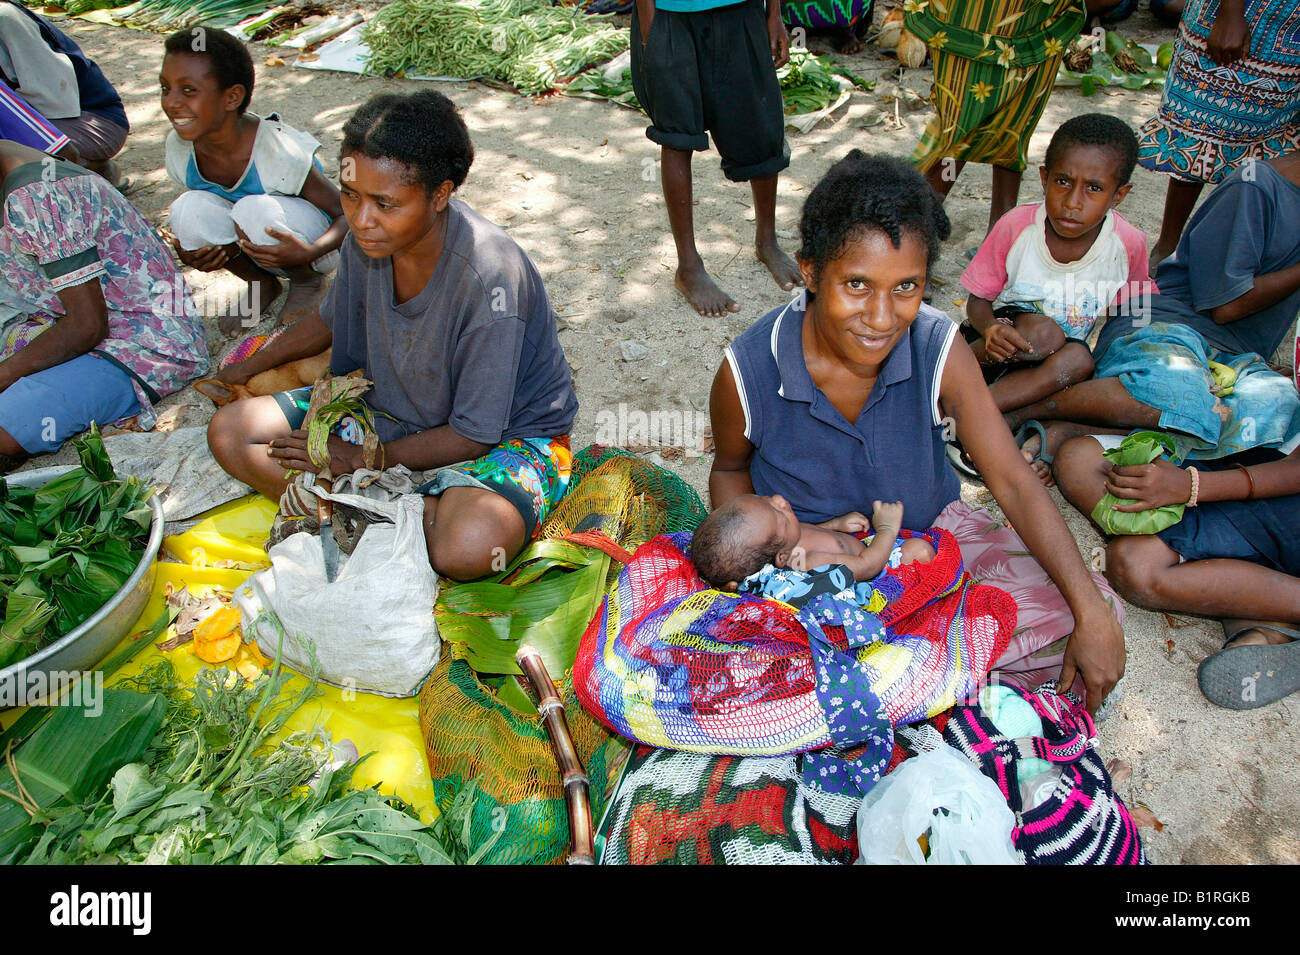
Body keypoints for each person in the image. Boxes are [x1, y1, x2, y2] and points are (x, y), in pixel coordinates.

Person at [708, 151, 1126, 712]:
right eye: (857, 284)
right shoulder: (749, 371)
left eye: (906, 287)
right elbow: (731, 469)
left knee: (1092, 611)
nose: (881, 317)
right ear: (809, 271)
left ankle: (911, 683)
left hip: (935, 549)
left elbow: (1013, 481)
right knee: (768, 661)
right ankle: (928, 683)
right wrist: (767, 572)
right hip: (819, 567)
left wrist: (1092, 614)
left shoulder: (937, 348)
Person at [207, 90, 578, 582]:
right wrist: (247, 367)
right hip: (387, 407)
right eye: (351, 195)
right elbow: (328, 320)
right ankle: (377, 516)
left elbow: (472, 434)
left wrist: (365, 459)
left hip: (505, 436)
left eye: (385, 203)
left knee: (469, 548)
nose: (361, 219)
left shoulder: (490, 279)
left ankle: (353, 512)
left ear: (440, 194)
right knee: (231, 432)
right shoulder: (369, 241)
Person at [1004, 153, 1300, 467]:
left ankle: (1079, 428)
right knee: (1179, 396)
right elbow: (1227, 306)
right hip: (1171, 324)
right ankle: (1028, 406)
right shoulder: (1256, 186)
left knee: (1283, 413)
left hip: (1234, 357)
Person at [1051, 432, 1300, 710]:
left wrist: (1192, 485)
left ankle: (1266, 614)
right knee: (1078, 457)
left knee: (1133, 565)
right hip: (1252, 460)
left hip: (1281, 494)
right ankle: (1263, 611)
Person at [0, 139, 208, 472]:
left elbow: (88, 327)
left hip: (142, 345)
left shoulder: (35, 196)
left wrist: (5, 374)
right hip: (56, 317)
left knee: (6, 426)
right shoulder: (9, 161)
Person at [961, 114, 1152, 425]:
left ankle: (978, 410)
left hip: (1048, 373)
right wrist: (990, 328)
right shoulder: (1017, 227)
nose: (1072, 202)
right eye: (1062, 181)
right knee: (1045, 333)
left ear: (1119, 195)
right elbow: (977, 300)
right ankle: (952, 388)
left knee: (1081, 359)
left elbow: (1134, 310)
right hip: (993, 347)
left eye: (1093, 188)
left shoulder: (1127, 244)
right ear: (1044, 178)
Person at [160, 27, 345, 332]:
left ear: (232, 97)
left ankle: (306, 282)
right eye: (165, 88)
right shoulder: (180, 148)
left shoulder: (278, 151)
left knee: (253, 209)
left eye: (189, 90)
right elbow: (211, 210)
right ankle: (260, 283)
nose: (171, 103)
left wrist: (309, 253)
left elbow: (346, 213)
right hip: (258, 250)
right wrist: (192, 249)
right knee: (186, 210)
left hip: (312, 247)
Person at [630, 0, 801, 317]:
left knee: (761, 125)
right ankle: (689, 267)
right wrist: (649, 29)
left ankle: (767, 242)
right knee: (676, 136)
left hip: (742, 10)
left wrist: (774, 13)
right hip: (670, 16)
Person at [1138, 0, 1300, 274]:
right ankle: (1168, 246)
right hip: (1247, 13)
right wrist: (1231, 11)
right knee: (1202, 122)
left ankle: (1236, 257)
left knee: (1278, 141)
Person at [904, 0, 1084, 238]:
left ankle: (997, 236)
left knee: (1014, 123)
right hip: (972, 14)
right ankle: (916, 227)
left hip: (1038, 12)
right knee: (958, 122)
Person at [0, 0, 129, 185]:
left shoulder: (5, 18)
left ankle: (91, 180)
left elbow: (54, 98)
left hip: (97, 121)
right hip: (59, 118)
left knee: (15, 149)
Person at [692, 494, 934, 590]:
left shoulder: (787, 540)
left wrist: (836, 525)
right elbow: (867, 565)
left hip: (869, 550)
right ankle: (920, 596)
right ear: (782, 559)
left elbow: (809, 532)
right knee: (921, 551)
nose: (780, 500)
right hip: (877, 571)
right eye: (778, 514)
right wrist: (887, 529)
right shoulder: (809, 563)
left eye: (766, 500)